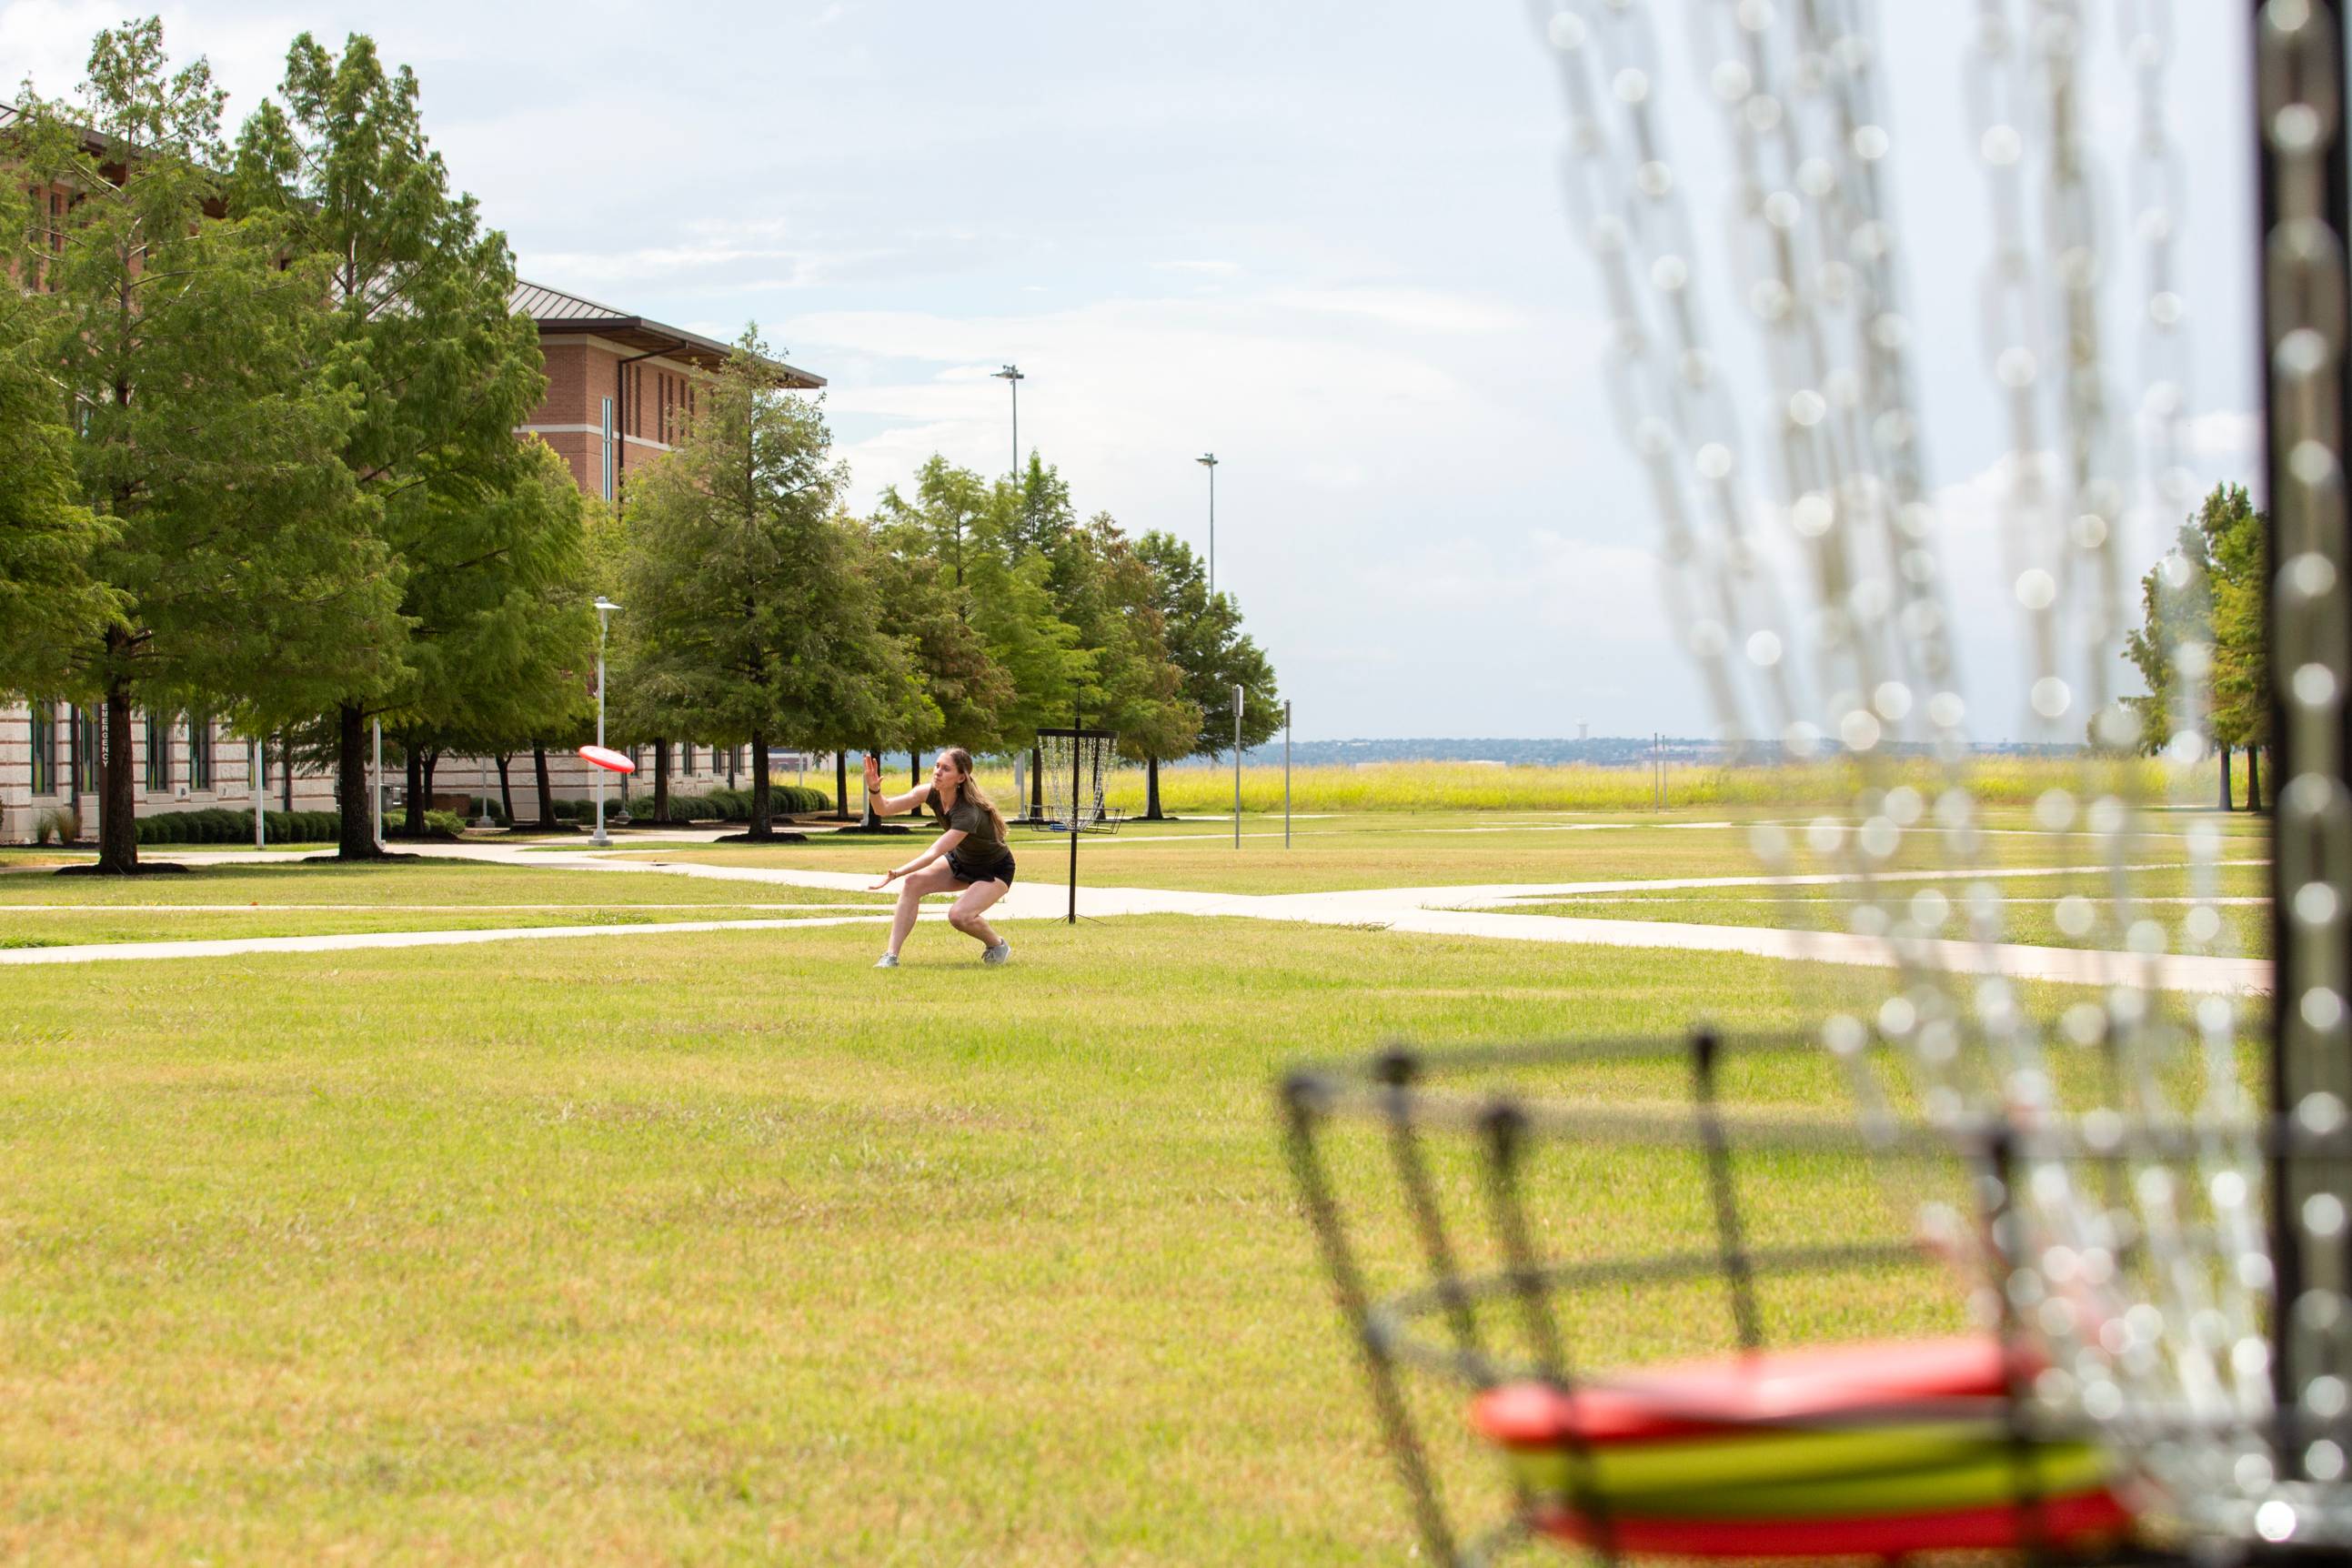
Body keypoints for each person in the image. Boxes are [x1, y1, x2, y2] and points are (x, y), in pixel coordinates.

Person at [864, 748, 1016, 968]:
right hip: (961, 859)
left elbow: (933, 853)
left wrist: (896, 872)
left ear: (961, 777)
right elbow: (883, 809)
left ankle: (997, 944)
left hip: (994, 869)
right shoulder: (930, 793)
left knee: (959, 916)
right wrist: (874, 789)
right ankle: (890, 956)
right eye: (937, 766)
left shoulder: (967, 812)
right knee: (912, 883)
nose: (937, 772)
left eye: (946, 769)